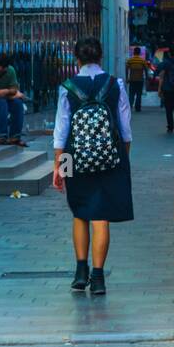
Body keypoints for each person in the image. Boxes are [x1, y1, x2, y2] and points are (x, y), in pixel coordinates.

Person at [52, 36, 133, 297]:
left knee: (79, 213)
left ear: (77, 59)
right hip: (110, 157)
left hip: (74, 157)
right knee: (101, 216)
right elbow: (125, 129)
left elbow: (61, 130)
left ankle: (80, 271)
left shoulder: (67, 87)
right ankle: (98, 278)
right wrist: (121, 158)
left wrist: (59, 167)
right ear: (101, 57)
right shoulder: (115, 84)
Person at [157, 44, 174, 132]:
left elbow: (161, 75)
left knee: (168, 108)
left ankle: (170, 126)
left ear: (169, 53)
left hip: (167, 88)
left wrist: (159, 89)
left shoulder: (166, 62)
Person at [125, 47, 147, 112]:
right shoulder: (142, 61)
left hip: (132, 80)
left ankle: (130, 107)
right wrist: (147, 77)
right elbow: (145, 69)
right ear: (139, 52)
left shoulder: (130, 60)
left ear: (134, 52)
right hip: (140, 80)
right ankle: (138, 108)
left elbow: (126, 69)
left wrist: (127, 78)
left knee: (131, 94)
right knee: (139, 94)